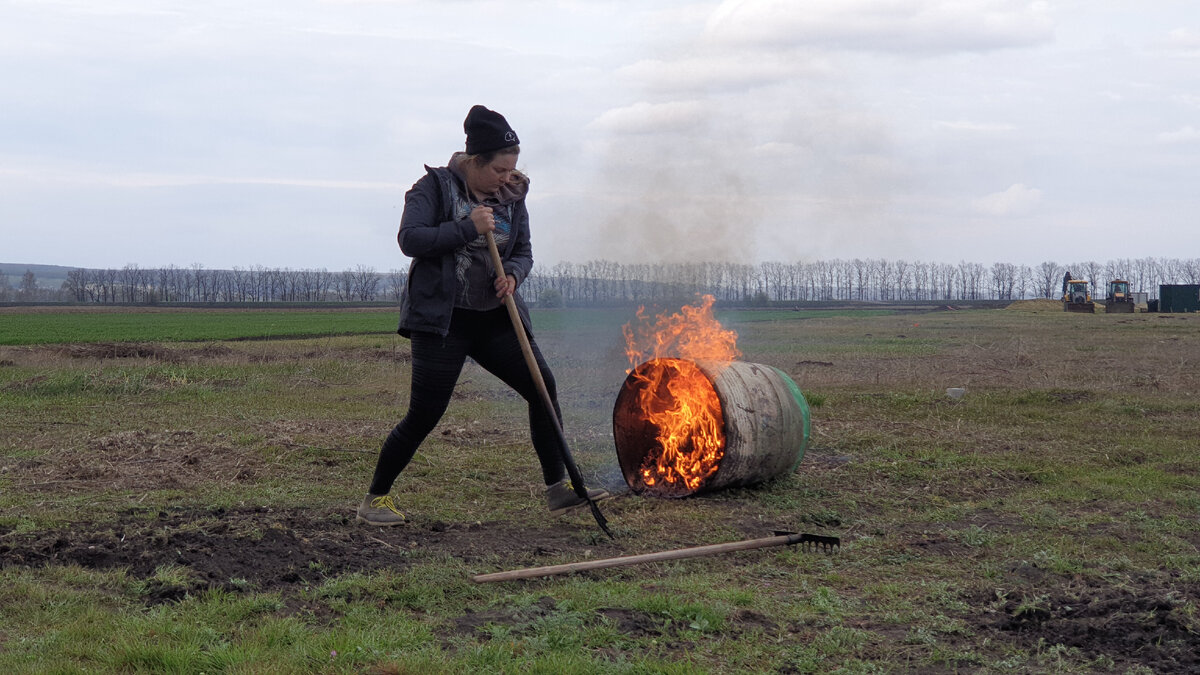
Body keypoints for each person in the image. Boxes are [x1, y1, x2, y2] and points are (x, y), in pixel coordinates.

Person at [357, 105, 610, 526]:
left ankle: (558, 489)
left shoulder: (512, 198)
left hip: (496, 318)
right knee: (426, 413)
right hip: (444, 321)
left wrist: (512, 274)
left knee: (541, 388)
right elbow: (410, 239)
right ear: (474, 161)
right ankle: (374, 500)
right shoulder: (433, 188)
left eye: (512, 169)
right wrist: (468, 228)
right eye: (498, 169)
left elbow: (525, 252)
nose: (506, 178)